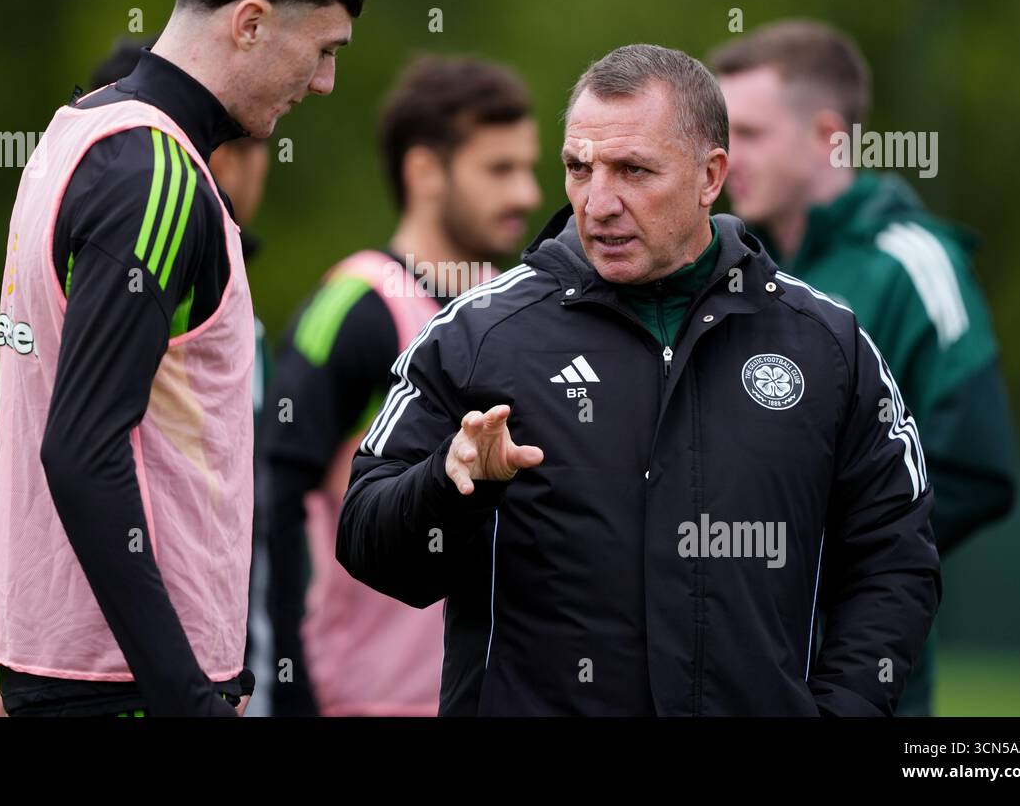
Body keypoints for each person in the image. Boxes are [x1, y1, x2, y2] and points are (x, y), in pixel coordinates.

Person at [337, 44, 940, 716]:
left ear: (711, 176)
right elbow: (368, 545)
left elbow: (895, 556)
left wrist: (847, 708)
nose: (598, 203)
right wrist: (449, 486)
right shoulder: (476, 337)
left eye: (632, 170)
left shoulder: (825, 344)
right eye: (578, 168)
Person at [0, 0, 368, 717]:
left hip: (83, 674)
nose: (325, 83)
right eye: (325, 50)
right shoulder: (156, 174)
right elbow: (81, 448)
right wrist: (187, 698)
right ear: (252, 22)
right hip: (123, 688)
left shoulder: (79, 131)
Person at [709, 19, 1016, 715]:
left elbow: (976, 467)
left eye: (750, 135)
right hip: (734, 676)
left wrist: (809, 556)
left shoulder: (912, 265)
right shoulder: (726, 272)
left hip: (866, 685)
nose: (726, 159)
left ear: (826, 136)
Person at [262, 56, 541, 716]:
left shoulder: (527, 316)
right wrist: (288, 690)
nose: (528, 194)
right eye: (499, 169)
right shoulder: (357, 305)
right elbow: (271, 503)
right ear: (424, 172)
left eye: (529, 168)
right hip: (365, 701)